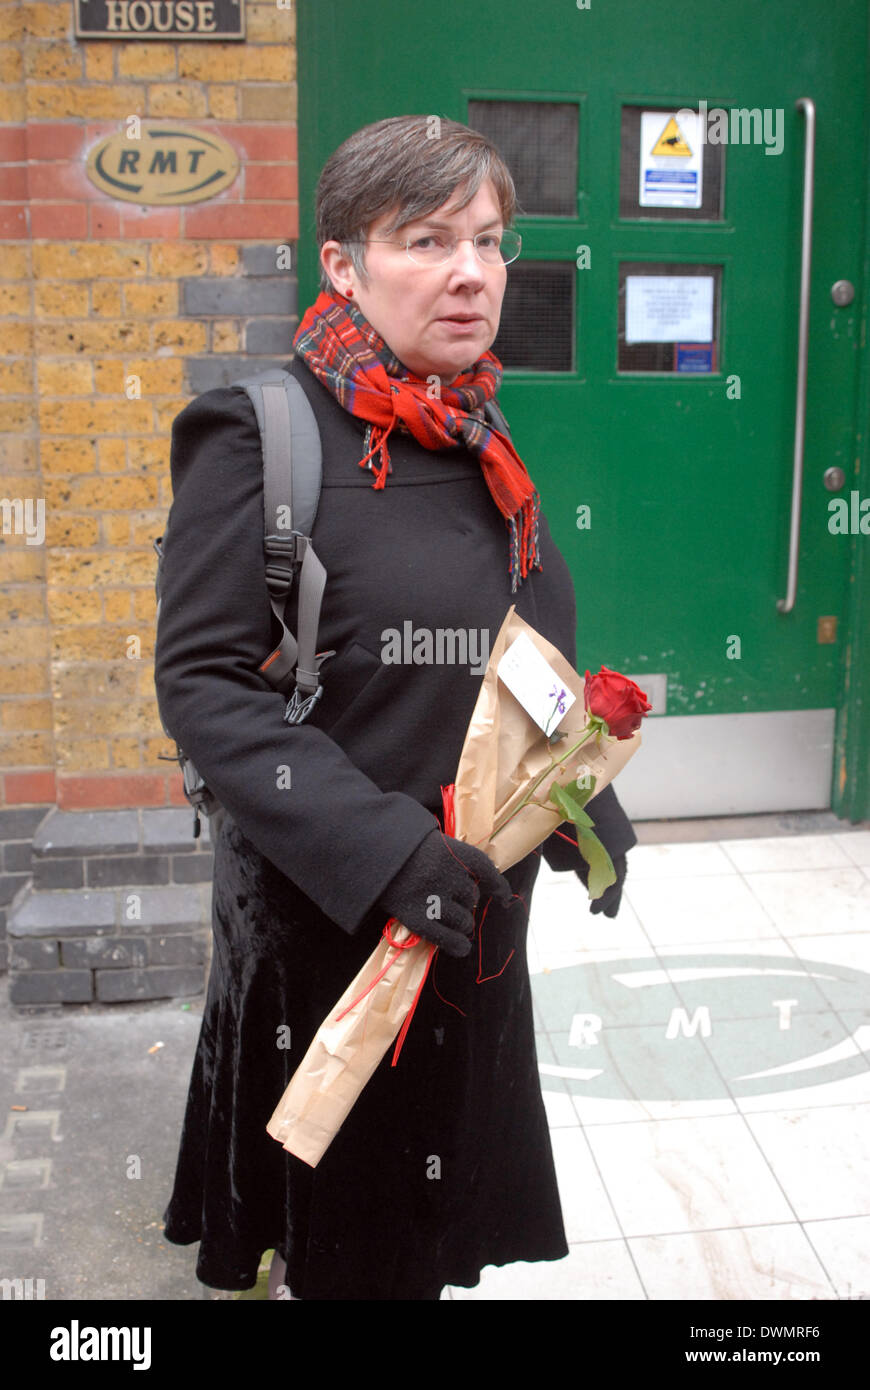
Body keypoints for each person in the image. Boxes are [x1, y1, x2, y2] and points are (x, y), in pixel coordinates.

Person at [154, 114, 636, 1302]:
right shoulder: (264, 435)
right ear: (343, 265)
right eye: (425, 240)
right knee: (359, 1243)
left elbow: (507, 642)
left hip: (468, 916)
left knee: (429, 1224)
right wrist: (385, 856)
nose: (472, 271)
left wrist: (575, 797)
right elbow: (204, 684)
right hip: (335, 931)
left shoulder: (468, 418)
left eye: (488, 239)